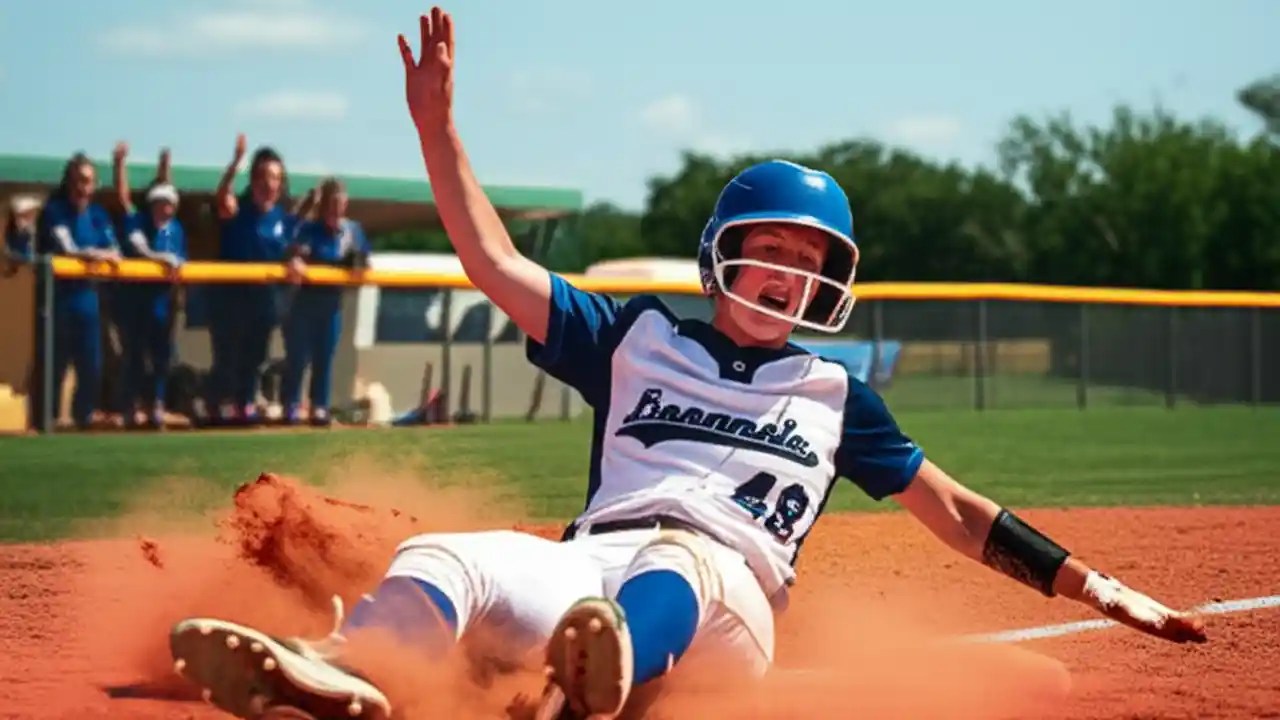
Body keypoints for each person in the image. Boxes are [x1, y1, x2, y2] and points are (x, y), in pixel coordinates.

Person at [167, 8, 1207, 720]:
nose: (788, 276)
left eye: (810, 264)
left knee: (684, 564)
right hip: (590, 571)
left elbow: (951, 509)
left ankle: (590, 691)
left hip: (725, 603)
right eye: (771, 249)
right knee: (453, 556)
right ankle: (341, 672)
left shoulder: (835, 394)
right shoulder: (637, 338)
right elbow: (492, 259)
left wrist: (1094, 585)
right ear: (723, 253)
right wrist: (438, 130)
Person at [206, 135, 298, 426]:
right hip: (230, 301)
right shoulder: (239, 208)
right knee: (227, 361)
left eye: (275, 178)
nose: (269, 184)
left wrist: (295, 261)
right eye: (264, 177)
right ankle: (218, 409)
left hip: (263, 303)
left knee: (254, 361)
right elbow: (222, 198)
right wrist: (235, 162)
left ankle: (245, 407)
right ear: (254, 178)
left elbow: (290, 252)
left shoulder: (283, 218)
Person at [36, 151, 121, 430]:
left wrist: (100, 255)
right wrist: (97, 254)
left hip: (88, 300)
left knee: (91, 366)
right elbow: (69, 249)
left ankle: (83, 419)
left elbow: (116, 253)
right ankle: (44, 422)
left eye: (88, 181)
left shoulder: (98, 215)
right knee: (53, 367)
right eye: (77, 181)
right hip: (56, 301)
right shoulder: (54, 210)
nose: (82, 188)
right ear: (68, 182)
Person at [280, 177, 371, 426]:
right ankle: (292, 405)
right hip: (303, 303)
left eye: (341, 204)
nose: (336, 210)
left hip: (331, 303)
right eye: (331, 204)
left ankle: (319, 407)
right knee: (297, 358)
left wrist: (358, 262)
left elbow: (364, 258)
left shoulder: (351, 231)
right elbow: (288, 241)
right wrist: (295, 258)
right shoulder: (309, 229)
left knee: (324, 357)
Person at [111, 142, 186, 429]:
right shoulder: (138, 222)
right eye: (160, 203)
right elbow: (124, 202)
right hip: (134, 303)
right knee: (133, 357)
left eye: (169, 204)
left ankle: (156, 405)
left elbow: (180, 262)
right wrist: (119, 164)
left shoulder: (175, 229)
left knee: (161, 359)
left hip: (163, 304)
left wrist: (166, 168)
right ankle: (130, 407)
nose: (165, 209)